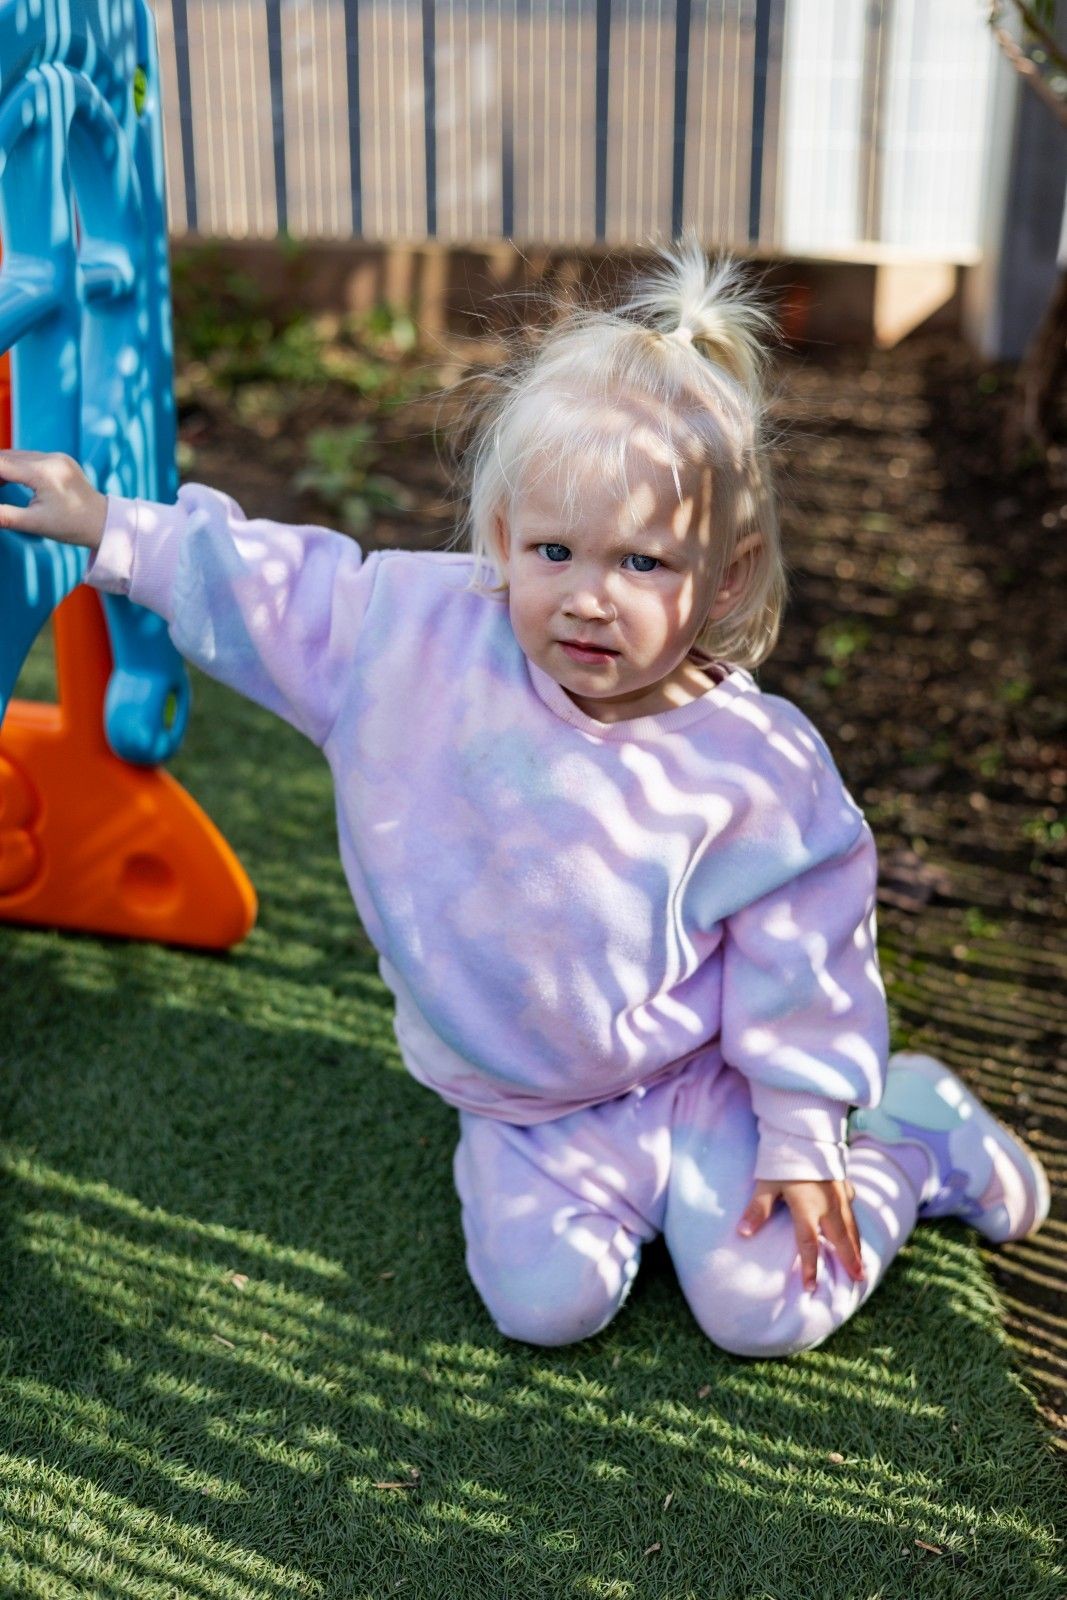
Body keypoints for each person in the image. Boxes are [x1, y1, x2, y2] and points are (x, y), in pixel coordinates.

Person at [0, 240, 1049, 1357]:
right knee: (545, 1307)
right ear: (502, 538)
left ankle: (912, 1136)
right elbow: (274, 587)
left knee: (764, 1311)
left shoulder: (756, 770)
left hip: (701, 1086)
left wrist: (798, 1127)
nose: (589, 597)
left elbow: (806, 961)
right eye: (555, 550)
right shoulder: (408, 642)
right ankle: (585, 1191)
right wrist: (111, 528)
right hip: (527, 1114)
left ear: (725, 577)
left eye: (642, 564)